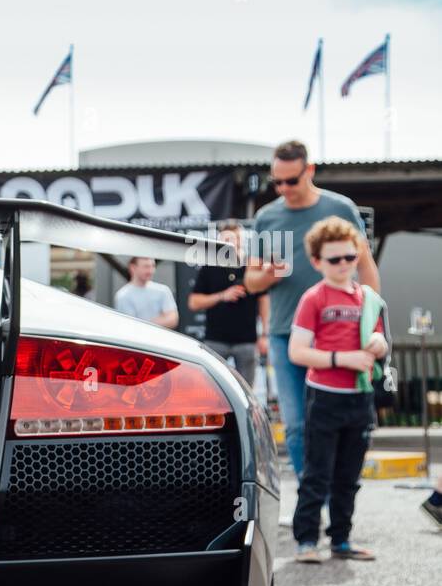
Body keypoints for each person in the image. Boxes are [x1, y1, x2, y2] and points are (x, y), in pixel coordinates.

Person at [245, 140, 380, 480]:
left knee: (338, 421)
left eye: (292, 180)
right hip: (285, 332)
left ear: (310, 171)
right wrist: (266, 275)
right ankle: (311, 497)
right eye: (277, 182)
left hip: (339, 331)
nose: (284, 189)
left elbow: (365, 266)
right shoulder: (267, 217)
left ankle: (336, 498)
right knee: (295, 424)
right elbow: (251, 283)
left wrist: (373, 321)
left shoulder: (340, 208)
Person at [287, 217, 388, 563]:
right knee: (317, 474)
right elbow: (297, 352)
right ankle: (305, 541)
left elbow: (379, 340)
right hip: (325, 397)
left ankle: (341, 540)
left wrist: (378, 344)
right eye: (335, 259)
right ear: (317, 262)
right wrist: (343, 358)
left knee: (348, 476)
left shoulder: (368, 298)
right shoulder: (313, 298)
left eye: (350, 257)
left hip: (361, 398)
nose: (344, 265)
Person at [189, 220, 269, 387]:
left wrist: (265, 334)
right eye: (227, 239)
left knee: (247, 390)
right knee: (212, 388)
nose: (232, 243)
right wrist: (222, 296)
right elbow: (194, 302)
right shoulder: (209, 267)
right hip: (216, 340)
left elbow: (263, 300)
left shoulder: (251, 266)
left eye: (236, 238)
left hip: (247, 340)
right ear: (219, 240)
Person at [113, 256, 178, 329]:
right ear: (133, 268)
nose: (150, 271)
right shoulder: (123, 295)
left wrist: (144, 324)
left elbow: (173, 319)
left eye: (152, 266)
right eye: (146, 267)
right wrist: (161, 319)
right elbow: (130, 326)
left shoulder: (163, 290)